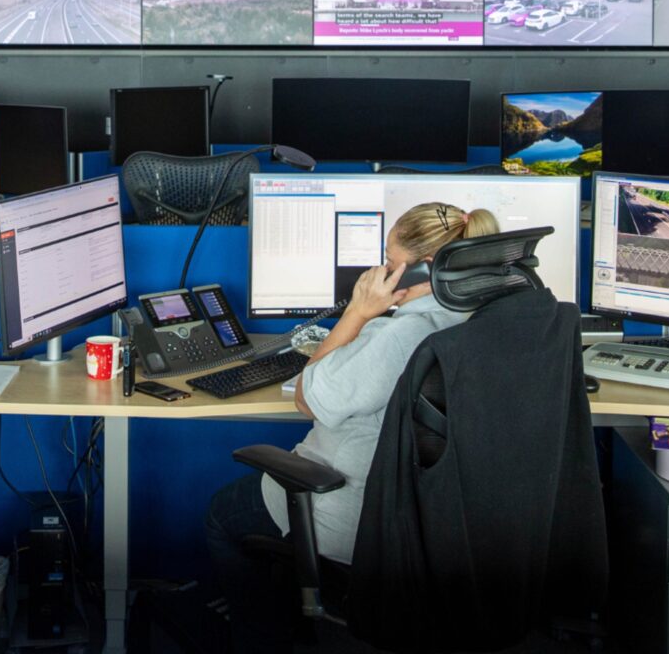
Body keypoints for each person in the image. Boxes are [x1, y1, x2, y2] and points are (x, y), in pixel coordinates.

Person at [204, 202, 499, 654]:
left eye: (389, 262)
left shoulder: (401, 336)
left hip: (365, 514)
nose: (381, 271)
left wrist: (358, 314)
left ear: (421, 273)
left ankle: (268, 640)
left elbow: (307, 397)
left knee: (222, 515)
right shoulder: (498, 319)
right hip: (452, 524)